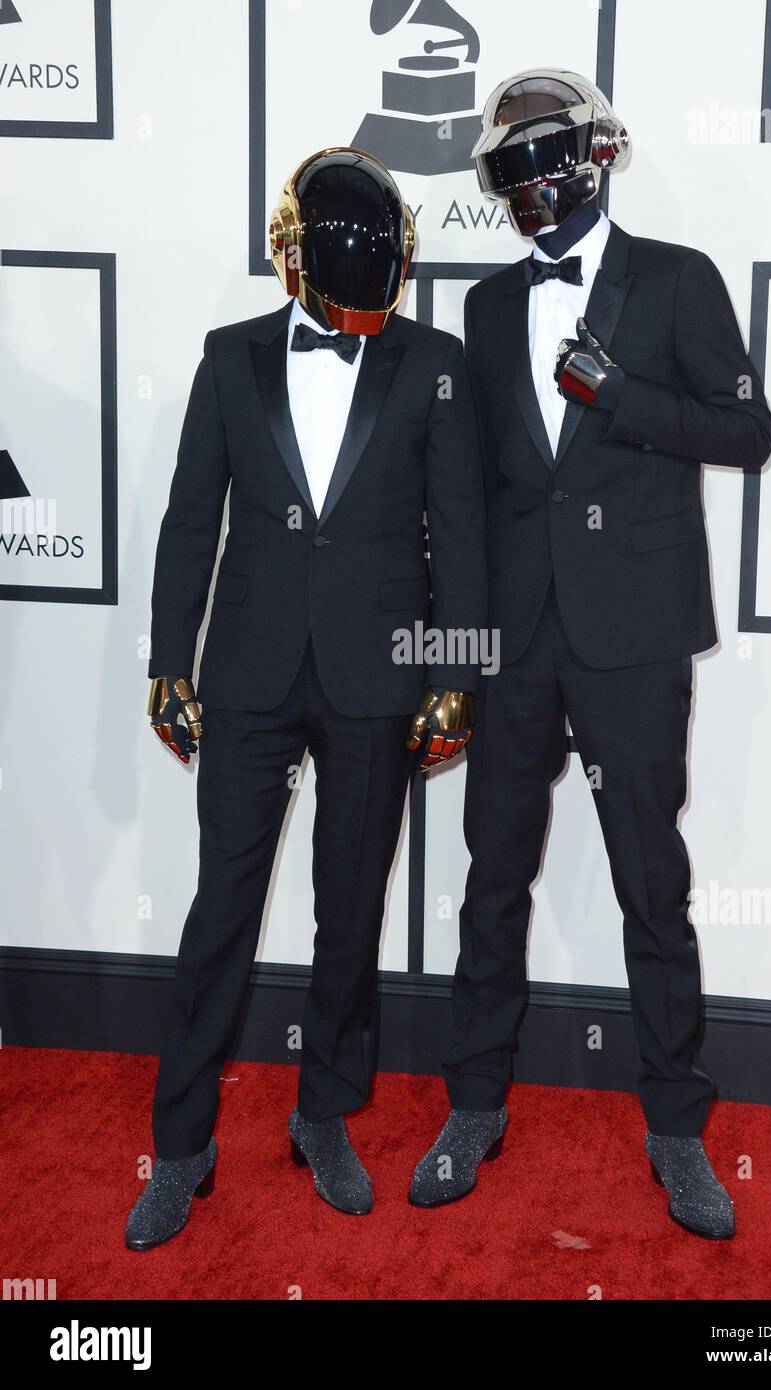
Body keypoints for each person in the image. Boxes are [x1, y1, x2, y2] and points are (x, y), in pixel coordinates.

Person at [409, 71, 771, 1239]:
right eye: (504, 167)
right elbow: (468, 493)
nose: (525, 188)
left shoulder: (676, 278)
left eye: (538, 160)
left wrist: (623, 399)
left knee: (649, 884)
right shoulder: (479, 304)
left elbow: (746, 428)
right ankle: (473, 1107)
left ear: (592, 155)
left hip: (631, 638)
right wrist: (455, 654)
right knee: (489, 881)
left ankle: (677, 1130)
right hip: (514, 640)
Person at [126, 148, 486, 1250]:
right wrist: (167, 658)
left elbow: (460, 532)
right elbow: (195, 520)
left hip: (378, 676)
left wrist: (456, 675)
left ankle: (323, 1114)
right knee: (218, 913)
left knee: (350, 910)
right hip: (248, 672)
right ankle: (181, 1149)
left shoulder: (437, 362)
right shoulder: (228, 358)